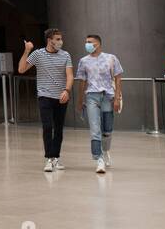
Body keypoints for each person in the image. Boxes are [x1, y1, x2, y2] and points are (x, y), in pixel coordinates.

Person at [18, 28, 74, 172]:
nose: (60, 42)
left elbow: (69, 75)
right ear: (50, 40)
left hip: (61, 96)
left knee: (59, 128)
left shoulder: (65, 55)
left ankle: (56, 157)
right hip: (45, 96)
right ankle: (49, 158)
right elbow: (21, 69)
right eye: (57, 39)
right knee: (47, 126)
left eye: (61, 39)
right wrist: (26, 51)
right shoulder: (38, 54)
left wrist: (67, 91)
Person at [75, 34, 123, 174]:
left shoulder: (111, 58)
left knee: (107, 129)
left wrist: (117, 98)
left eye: (90, 42)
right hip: (91, 97)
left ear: (98, 44)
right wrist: (79, 101)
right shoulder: (83, 61)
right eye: (86, 42)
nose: (87, 44)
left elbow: (118, 78)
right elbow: (82, 81)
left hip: (108, 96)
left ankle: (106, 150)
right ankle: (99, 159)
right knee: (95, 129)